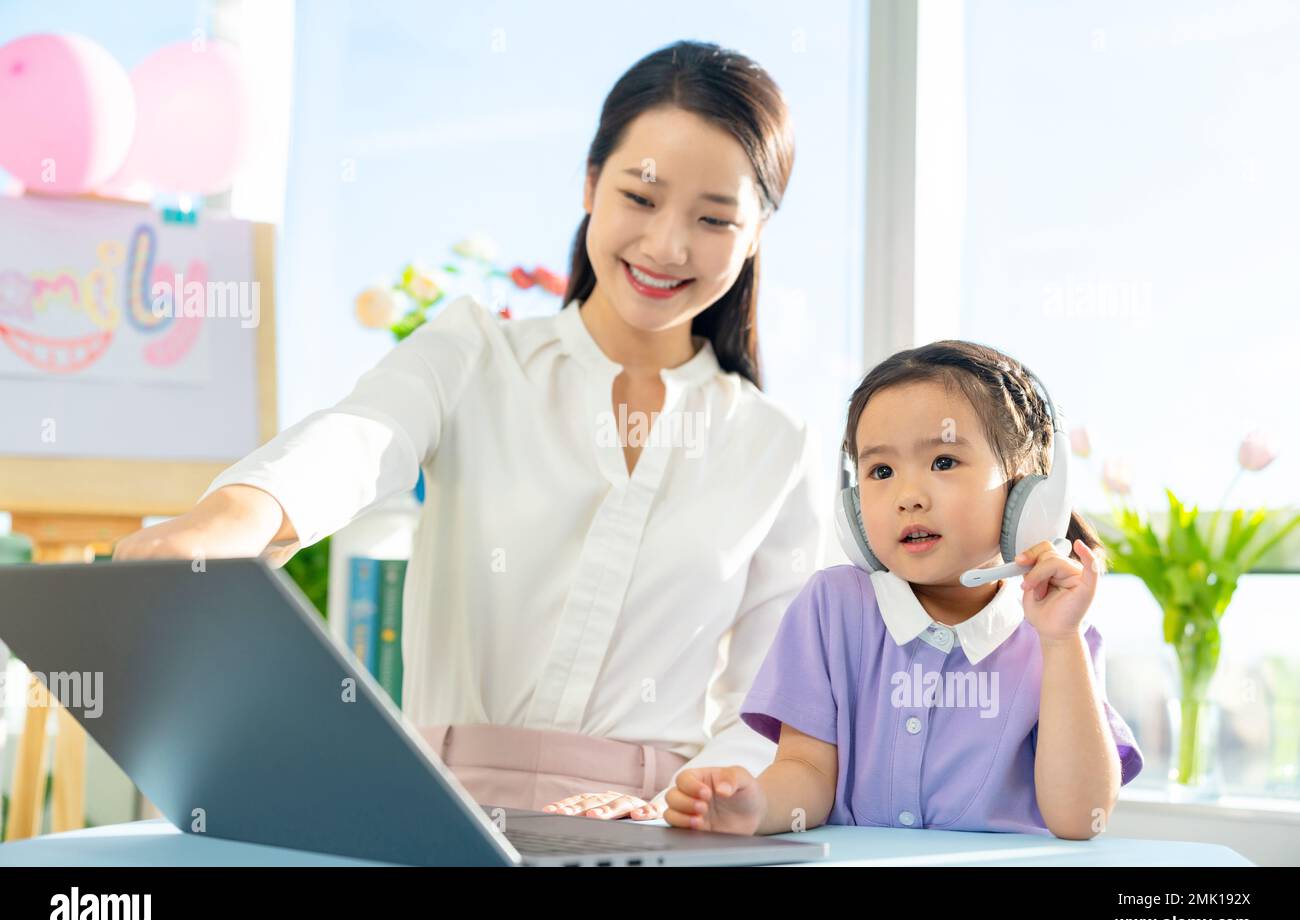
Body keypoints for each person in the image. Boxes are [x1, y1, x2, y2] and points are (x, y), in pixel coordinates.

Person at [114, 40, 826, 821]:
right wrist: (227, 520)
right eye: (642, 198)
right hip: (441, 815)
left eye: (714, 219)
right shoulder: (475, 352)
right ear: (591, 184)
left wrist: (692, 800)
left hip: (651, 831)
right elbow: (359, 438)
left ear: (756, 234)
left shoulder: (773, 445)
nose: (668, 246)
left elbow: (763, 709)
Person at [663, 341, 1144, 838]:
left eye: (943, 462)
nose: (908, 497)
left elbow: (1079, 817)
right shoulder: (833, 607)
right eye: (881, 471)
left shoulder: (1059, 632)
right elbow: (806, 773)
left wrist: (1062, 643)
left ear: (1028, 493)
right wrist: (756, 807)